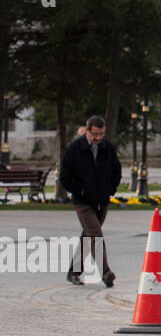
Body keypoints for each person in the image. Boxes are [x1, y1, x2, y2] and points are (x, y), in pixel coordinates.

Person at [59, 116, 120, 286]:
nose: (98, 138)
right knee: (95, 234)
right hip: (83, 202)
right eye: (94, 134)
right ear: (87, 130)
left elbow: (116, 170)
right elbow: (64, 177)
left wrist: (111, 189)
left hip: (102, 201)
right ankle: (106, 272)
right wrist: (81, 190)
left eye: (101, 134)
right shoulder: (74, 149)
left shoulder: (107, 148)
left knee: (89, 236)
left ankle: (73, 272)